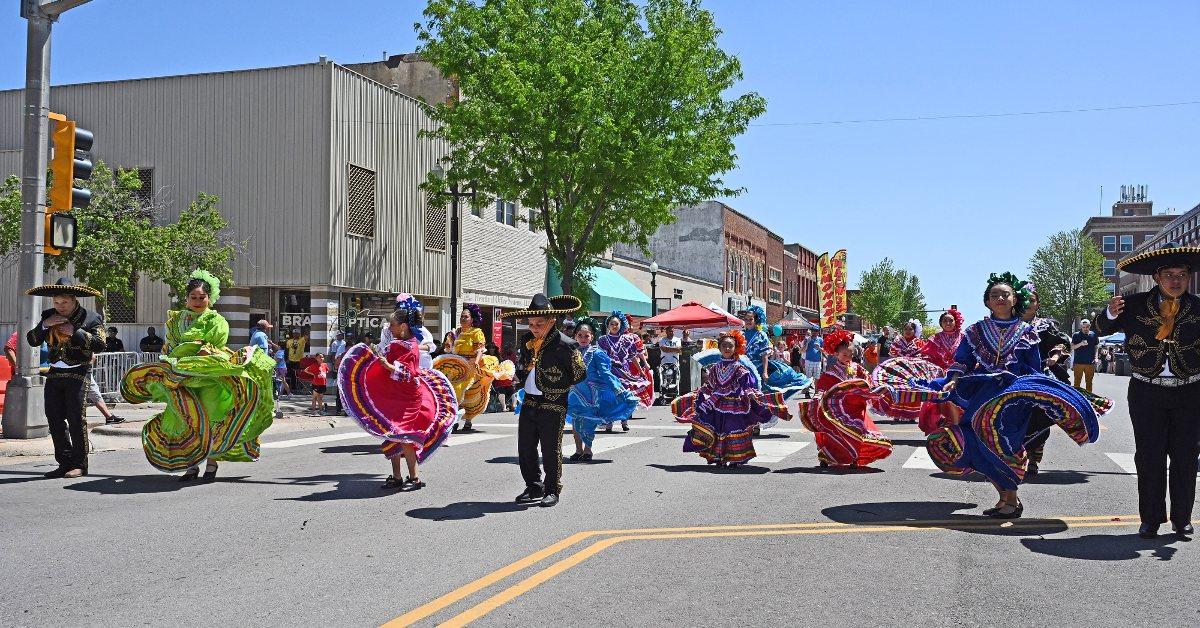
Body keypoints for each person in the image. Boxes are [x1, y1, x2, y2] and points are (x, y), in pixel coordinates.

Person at [921, 272, 1106, 518]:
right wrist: (952, 381)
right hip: (983, 395)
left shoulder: (1026, 331)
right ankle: (1005, 499)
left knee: (1004, 445)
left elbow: (1032, 367)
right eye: (994, 295)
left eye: (1005, 294)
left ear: (1014, 299)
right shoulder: (976, 331)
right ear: (986, 301)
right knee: (975, 439)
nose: (999, 298)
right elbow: (962, 360)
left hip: (1013, 398)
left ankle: (1010, 500)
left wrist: (1037, 389)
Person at [121, 270, 276, 481]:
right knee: (185, 420)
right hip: (181, 378)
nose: (197, 301)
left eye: (201, 297)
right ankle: (191, 465)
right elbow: (172, 346)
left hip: (209, 378)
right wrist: (174, 356)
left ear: (209, 298)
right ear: (186, 298)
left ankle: (211, 464)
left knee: (211, 421)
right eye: (193, 297)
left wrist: (201, 350)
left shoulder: (216, 320)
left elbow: (215, 346)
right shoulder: (175, 322)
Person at [1098, 243, 1200, 539]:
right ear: (1157, 277)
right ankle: (1151, 519)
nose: (1176, 280)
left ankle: (1182, 519)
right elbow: (1100, 328)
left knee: (1185, 456)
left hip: (1190, 391)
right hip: (1146, 391)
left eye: (1182, 274)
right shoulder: (1134, 304)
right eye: (1169, 274)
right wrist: (1109, 312)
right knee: (1149, 455)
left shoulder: (1198, 307)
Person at [338, 296, 458, 491]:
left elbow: (408, 374)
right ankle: (397, 476)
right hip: (395, 394)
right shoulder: (398, 343)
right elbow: (387, 360)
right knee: (392, 435)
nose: (390, 328)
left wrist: (387, 365)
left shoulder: (410, 346)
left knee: (404, 436)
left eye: (392, 325)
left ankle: (414, 477)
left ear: (403, 326)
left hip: (408, 398)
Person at [502, 294, 587, 507]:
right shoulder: (527, 341)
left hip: (553, 402)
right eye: (531, 324)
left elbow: (580, 373)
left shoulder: (565, 344)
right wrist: (516, 375)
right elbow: (525, 367)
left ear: (551, 322)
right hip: (529, 401)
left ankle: (552, 489)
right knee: (525, 447)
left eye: (539, 324)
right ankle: (534, 486)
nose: (534, 327)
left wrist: (557, 383)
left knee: (550, 448)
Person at [670, 329, 791, 467]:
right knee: (719, 429)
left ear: (736, 348)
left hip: (735, 405)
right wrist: (699, 392)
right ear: (720, 348)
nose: (727, 348)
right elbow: (710, 385)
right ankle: (719, 457)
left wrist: (752, 395)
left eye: (730, 346)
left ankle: (736, 458)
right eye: (724, 346)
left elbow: (746, 385)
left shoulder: (739, 368)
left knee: (733, 428)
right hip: (717, 405)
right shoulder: (716, 368)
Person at [24, 278, 107, 478]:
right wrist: (44, 325)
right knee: (54, 419)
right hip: (54, 374)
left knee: (76, 419)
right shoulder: (48, 316)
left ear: (74, 300)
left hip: (78, 373)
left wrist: (75, 332)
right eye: (56, 303)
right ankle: (64, 462)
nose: (60, 307)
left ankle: (79, 464)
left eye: (64, 303)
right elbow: (32, 340)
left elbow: (100, 344)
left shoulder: (91, 317)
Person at [797, 329, 892, 468]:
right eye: (845, 354)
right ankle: (827, 456)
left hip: (856, 407)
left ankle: (854, 457)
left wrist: (872, 388)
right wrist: (818, 397)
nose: (848, 357)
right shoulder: (831, 372)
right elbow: (823, 387)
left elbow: (867, 380)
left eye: (851, 354)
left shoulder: (856, 367)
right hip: (838, 410)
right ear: (836, 354)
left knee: (857, 430)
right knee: (835, 433)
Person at [556, 319, 639, 461]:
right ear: (575, 336)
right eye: (580, 335)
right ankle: (578, 450)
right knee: (576, 419)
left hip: (591, 393)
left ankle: (588, 450)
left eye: (586, 336)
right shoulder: (570, 351)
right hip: (575, 391)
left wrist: (618, 389)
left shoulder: (597, 353)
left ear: (592, 337)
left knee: (588, 420)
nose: (583, 339)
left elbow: (606, 373)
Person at [434, 303, 511, 431]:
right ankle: (455, 420)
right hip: (456, 365)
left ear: (472, 319)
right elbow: (448, 348)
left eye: (466, 317)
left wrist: (475, 361)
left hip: (470, 365)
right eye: (462, 316)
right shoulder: (456, 332)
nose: (463, 319)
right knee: (453, 391)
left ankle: (468, 420)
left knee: (469, 393)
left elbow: (480, 350)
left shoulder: (476, 332)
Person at [740, 305, 812, 401]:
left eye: (751, 319)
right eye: (746, 319)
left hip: (757, 369)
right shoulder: (741, 334)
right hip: (743, 369)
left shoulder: (761, 335)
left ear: (756, 320)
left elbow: (764, 356)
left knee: (758, 395)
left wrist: (765, 372)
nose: (748, 321)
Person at [596, 311, 653, 432]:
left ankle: (625, 421)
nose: (614, 326)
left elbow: (633, 356)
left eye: (616, 324)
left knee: (625, 397)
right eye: (612, 324)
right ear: (608, 325)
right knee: (609, 398)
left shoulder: (627, 340)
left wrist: (640, 371)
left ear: (621, 325)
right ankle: (609, 423)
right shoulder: (602, 340)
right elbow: (599, 357)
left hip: (624, 372)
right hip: (609, 373)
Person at [1070, 319, 1099, 392]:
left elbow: (1096, 347)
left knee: (1089, 382)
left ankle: (1089, 399)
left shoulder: (1093, 334)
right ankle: (1076, 399)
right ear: (1081, 327)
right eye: (1083, 327)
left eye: (1087, 327)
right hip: (1078, 362)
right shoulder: (1076, 335)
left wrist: (1096, 357)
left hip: (1090, 362)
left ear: (1089, 326)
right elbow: (1072, 347)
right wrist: (1080, 344)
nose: (1085, 328)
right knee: (1077, 382)